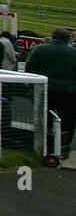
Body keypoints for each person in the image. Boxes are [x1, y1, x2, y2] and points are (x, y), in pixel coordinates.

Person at [25, 29, 76, 157]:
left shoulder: (39, 49)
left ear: (53, 37)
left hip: (45, 88)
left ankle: (43, 146)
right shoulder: (73, 52)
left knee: (44, 117)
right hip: (68, 91)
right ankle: (63, 147)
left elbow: (30, 68)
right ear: (68, 39)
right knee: (67, 119)